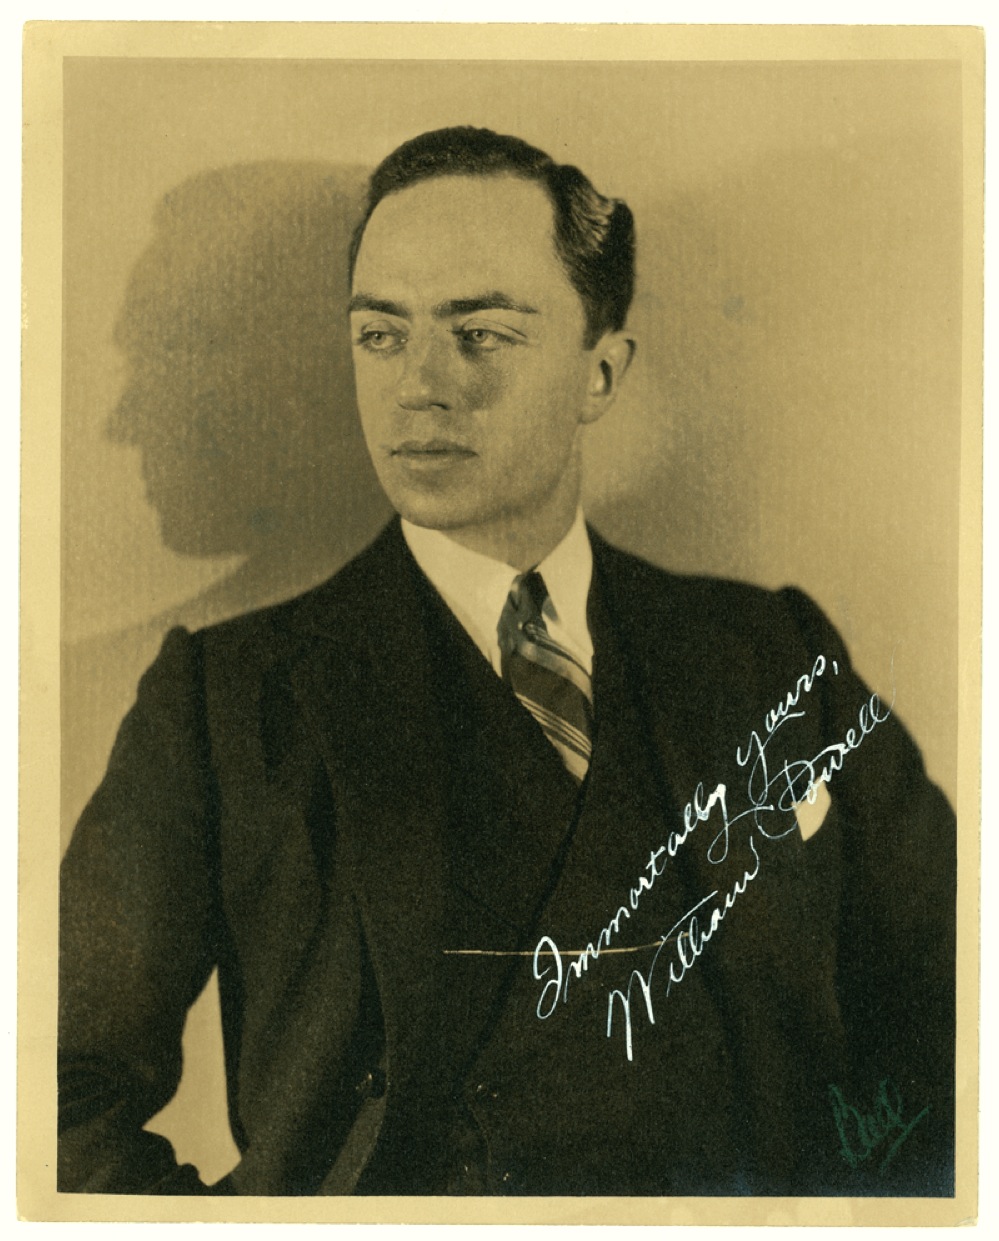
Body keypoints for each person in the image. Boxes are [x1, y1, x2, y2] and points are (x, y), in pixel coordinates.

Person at [58, 126, 956, 1198]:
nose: (419, 386)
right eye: (380, 335)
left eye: (479, 334)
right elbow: (48, 1090)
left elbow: (955, 1023)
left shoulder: (772, 657)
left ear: (599, 372)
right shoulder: (227, 701)